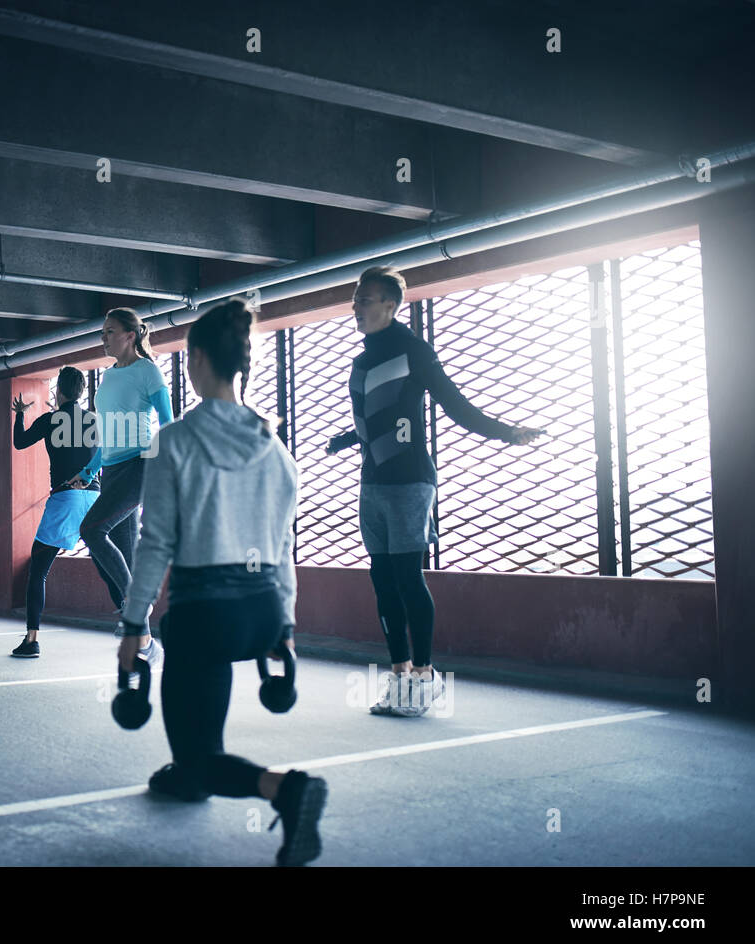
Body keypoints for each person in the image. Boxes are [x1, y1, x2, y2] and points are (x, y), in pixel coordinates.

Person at [119, 298, 327, 867]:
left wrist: (134, 625)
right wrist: (284, 625)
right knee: (194, 755)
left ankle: (285, 788)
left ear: (199, 359)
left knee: (196, 759)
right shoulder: (277, 450)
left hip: (204, 617)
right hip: (259, 612)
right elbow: (284, 551)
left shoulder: (174, 441)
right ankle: (191, 773)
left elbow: (155, 541)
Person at [325, 266, 543, 716]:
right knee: (382, 579)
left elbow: (457, 407)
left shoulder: (414, 351)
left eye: (364, 300)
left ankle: (426, 676)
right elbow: (376, 416)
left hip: (411, 480)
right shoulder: (361, 361)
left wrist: (507, 433)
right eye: (355, 299)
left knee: (407, 576)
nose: (356, 307)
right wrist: (347, 439)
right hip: (372, 481)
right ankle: (401, 675)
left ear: (389, 304)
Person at [67, 307, 173, 661]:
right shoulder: (109, 376)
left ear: (130, 335)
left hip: (140, 466)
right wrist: (88, 471)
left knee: (92, 530)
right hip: (110, 470)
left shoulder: (147, 371)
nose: (103, 338)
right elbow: (107, 432)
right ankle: (145, 643)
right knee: (124, 552)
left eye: (109, 332)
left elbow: (168, 422)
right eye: (102, 332)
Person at [9, 367, 100, 658]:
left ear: (58, 391)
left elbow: (20, 442)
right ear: (82, 392)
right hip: (97, 499)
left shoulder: (50, 420)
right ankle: (139, 633)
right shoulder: (95, 420)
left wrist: (20, 413)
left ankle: (32, 639)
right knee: (111, 566)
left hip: (66, 499)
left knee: (39, 569)